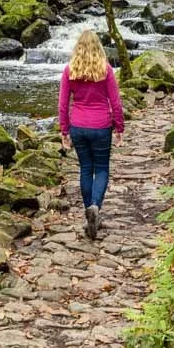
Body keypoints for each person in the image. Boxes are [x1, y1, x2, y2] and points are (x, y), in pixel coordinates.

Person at [58, 29, 124, 240]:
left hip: (78, 125)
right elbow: (115, 103)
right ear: (99, 48)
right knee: (102, 168)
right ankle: (95, 207)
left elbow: (62, 104)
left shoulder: (70, 70)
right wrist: (119, 127)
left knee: (86, 168)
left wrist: (64, 130)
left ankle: (90, 212)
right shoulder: (106, 70)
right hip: (101, 126)